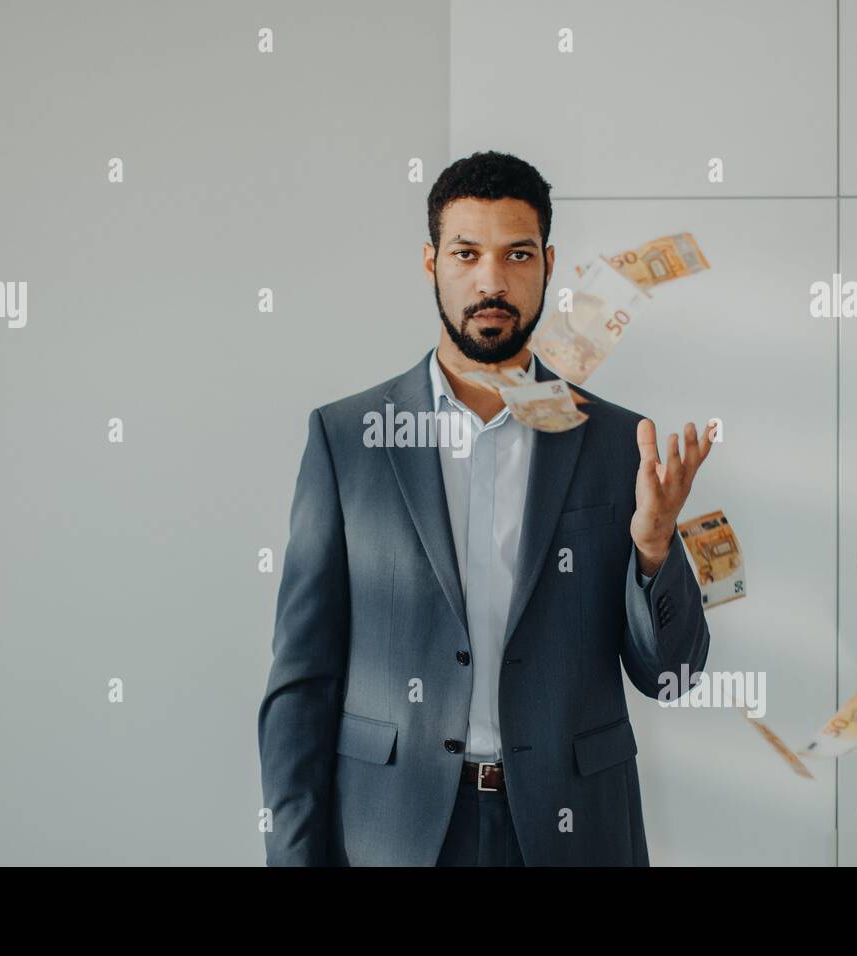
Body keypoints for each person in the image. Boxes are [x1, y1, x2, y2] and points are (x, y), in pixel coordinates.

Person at [257, 150, 715, 866]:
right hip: (392, 835)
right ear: (430, 260)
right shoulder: (347, 441)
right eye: (466, 253)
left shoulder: (619, 443)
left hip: (572, 834)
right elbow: (301, 681)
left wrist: (655, 551)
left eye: (517, 254)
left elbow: (672, 676)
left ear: (549, 263)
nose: (491, 281)